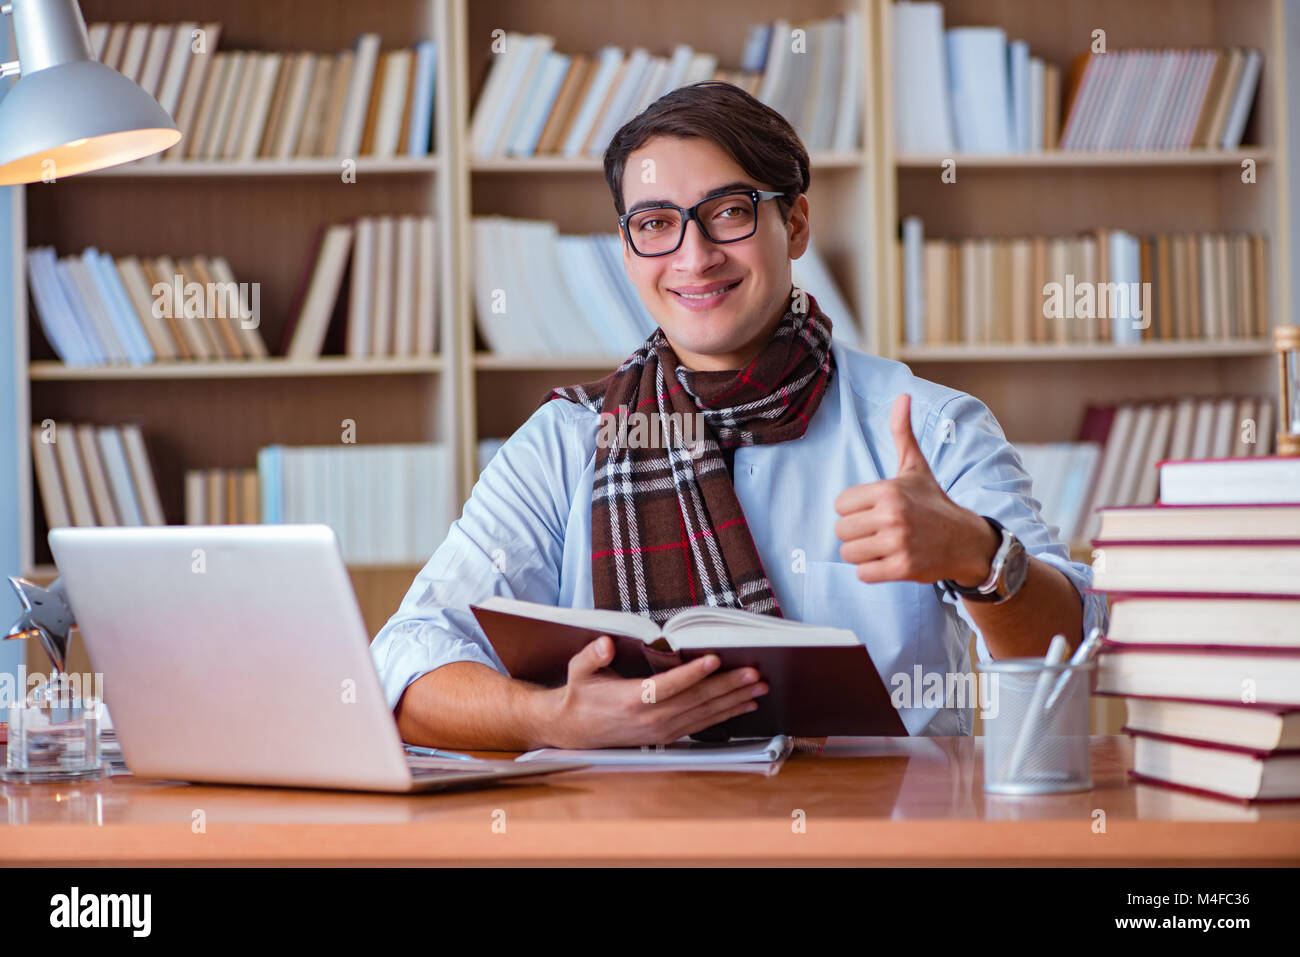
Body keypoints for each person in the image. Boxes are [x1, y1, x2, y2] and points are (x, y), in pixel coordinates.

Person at [372, 81, 1106, 749]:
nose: (694, 257)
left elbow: (1072, 653)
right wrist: (546, 718)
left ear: (795, 224)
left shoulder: (928, 426)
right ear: (629, 255)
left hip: (878, 840)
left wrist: (980, 556)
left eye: (728, 212)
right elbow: (405, 661)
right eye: (656, 224)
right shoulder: (565, 441)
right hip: (624, 838)